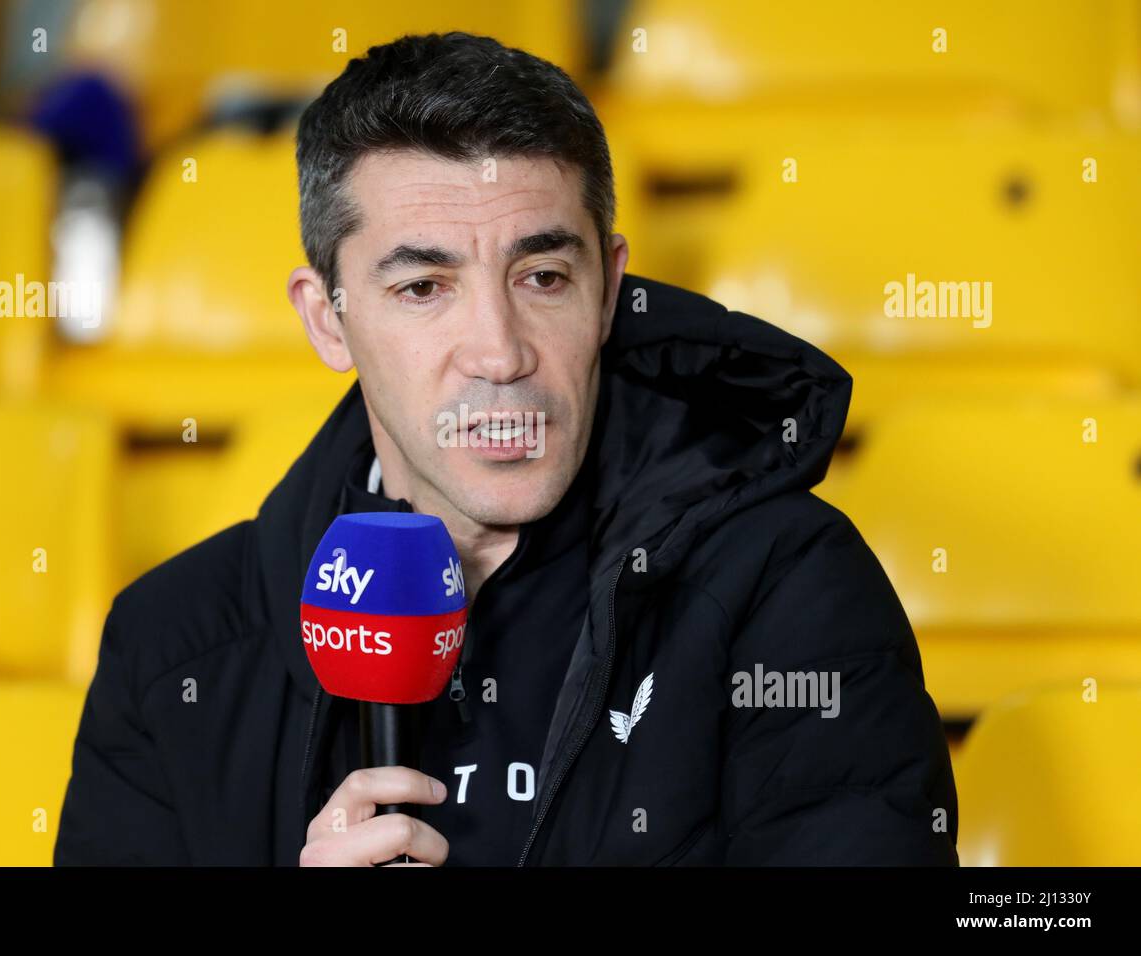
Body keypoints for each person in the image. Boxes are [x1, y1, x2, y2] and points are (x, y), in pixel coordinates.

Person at [54, 32, 958, 866]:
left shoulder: (788, 592)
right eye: (423, 287)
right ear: (327, 320)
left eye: (543, 277)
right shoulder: (175, 650)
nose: (501, 351)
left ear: (606, 294)